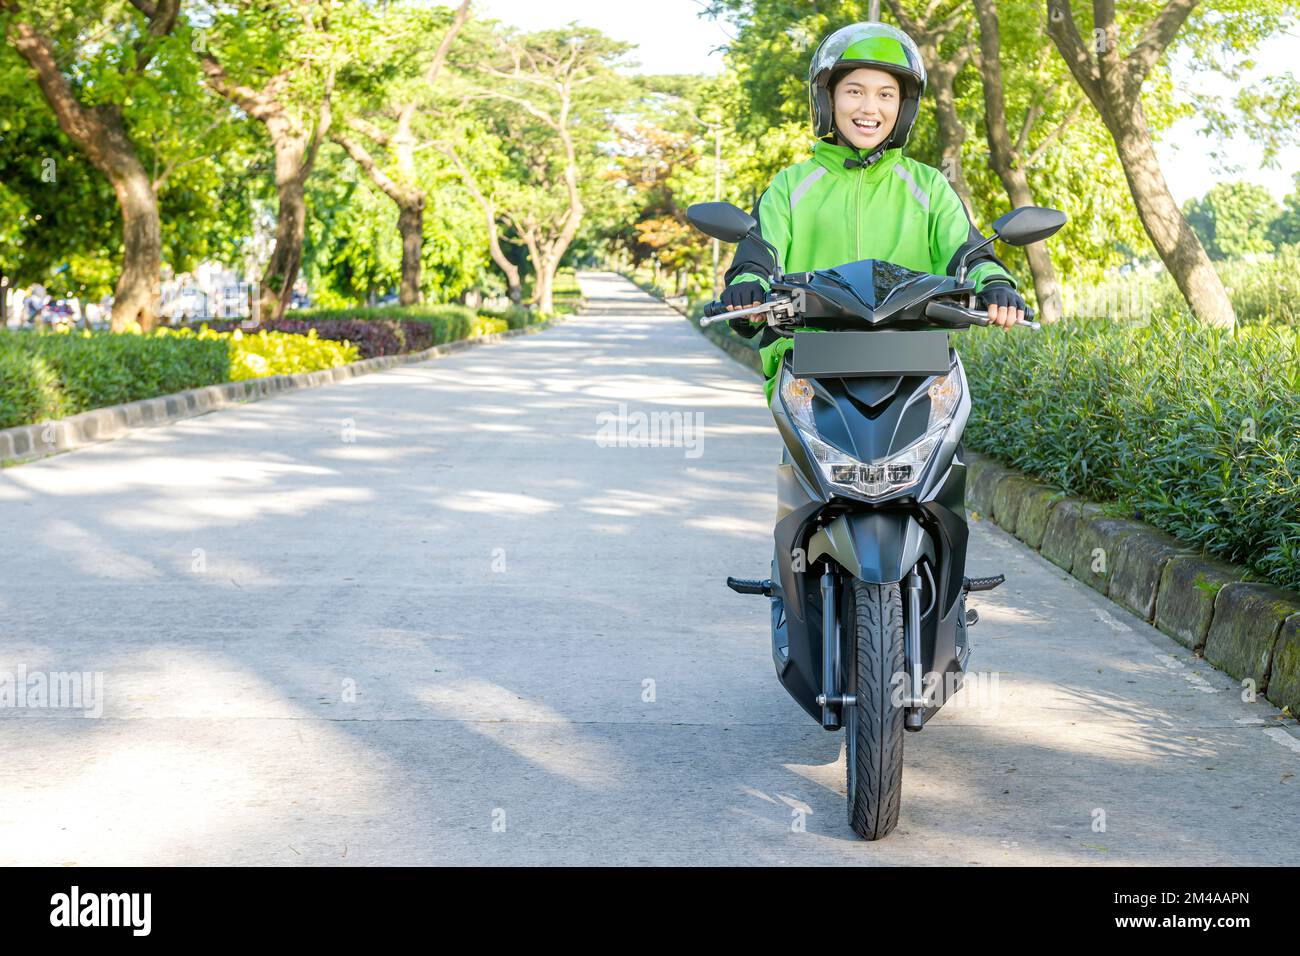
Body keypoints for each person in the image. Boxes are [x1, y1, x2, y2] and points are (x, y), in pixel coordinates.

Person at [722, 21, 1029, 402]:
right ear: (827, 98)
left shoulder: (929, 185)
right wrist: (747, 291)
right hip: (812, 371)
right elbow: (757, 259)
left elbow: (968, 253)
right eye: (854, 91)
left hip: (916, 371)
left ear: (904, 107)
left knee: (946, 458)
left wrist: (996, 286)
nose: (870, 107)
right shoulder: (790, 186)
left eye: (886, 94)